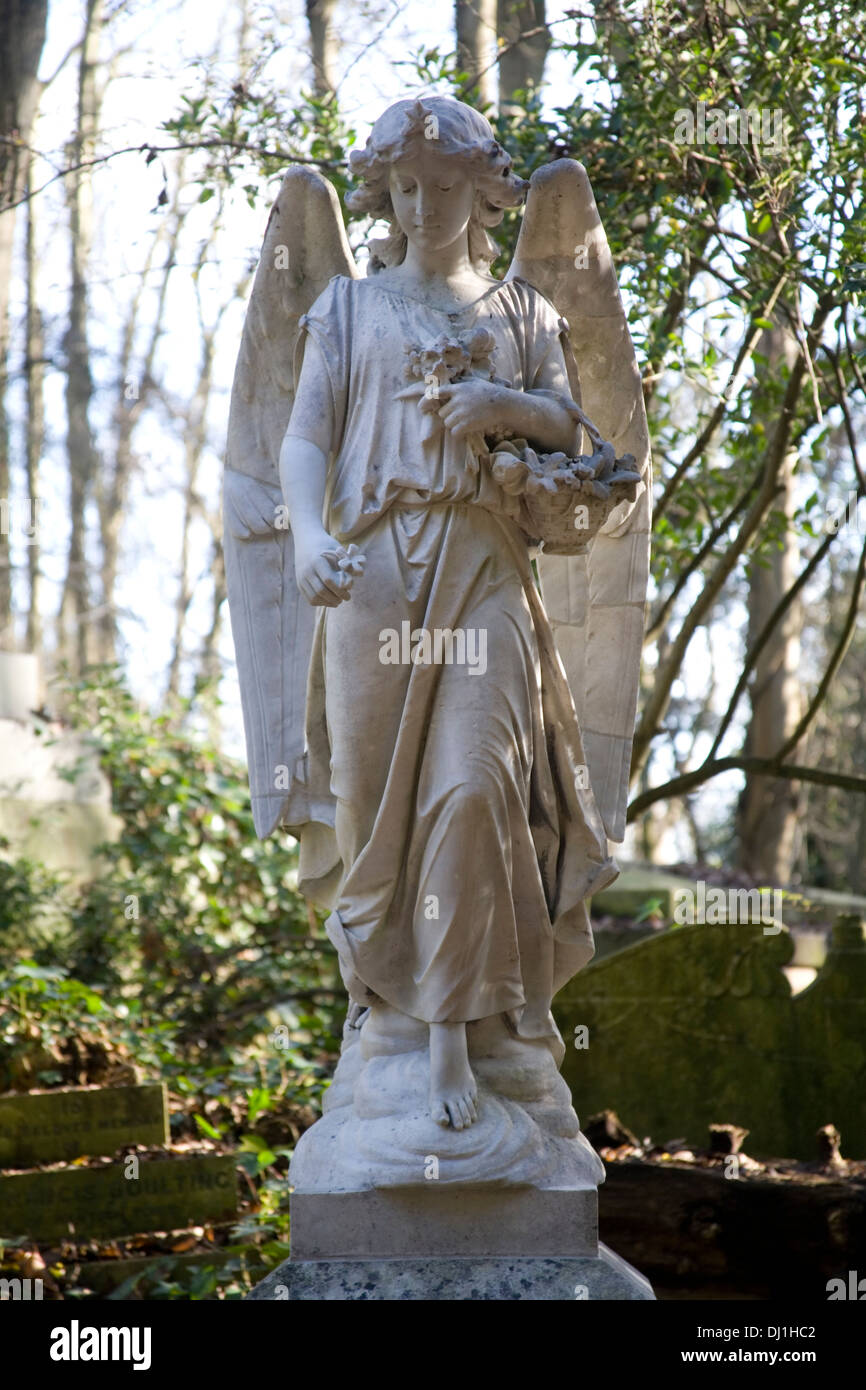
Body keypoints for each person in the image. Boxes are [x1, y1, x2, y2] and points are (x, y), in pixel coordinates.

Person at [279, 96, 616, 1132]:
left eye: (444, 186)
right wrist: (304, 536)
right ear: (387, 190)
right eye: (406, 186)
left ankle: (451, 1036)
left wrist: (504, 409)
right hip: (375, 571)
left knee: (474, 791)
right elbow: (301, 442)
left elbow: (574, 429)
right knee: (378, 813)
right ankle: (385, 1011)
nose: (423, 205)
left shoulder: (521, 314)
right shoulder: (344, 310)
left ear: (482, 190)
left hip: (481, 569)